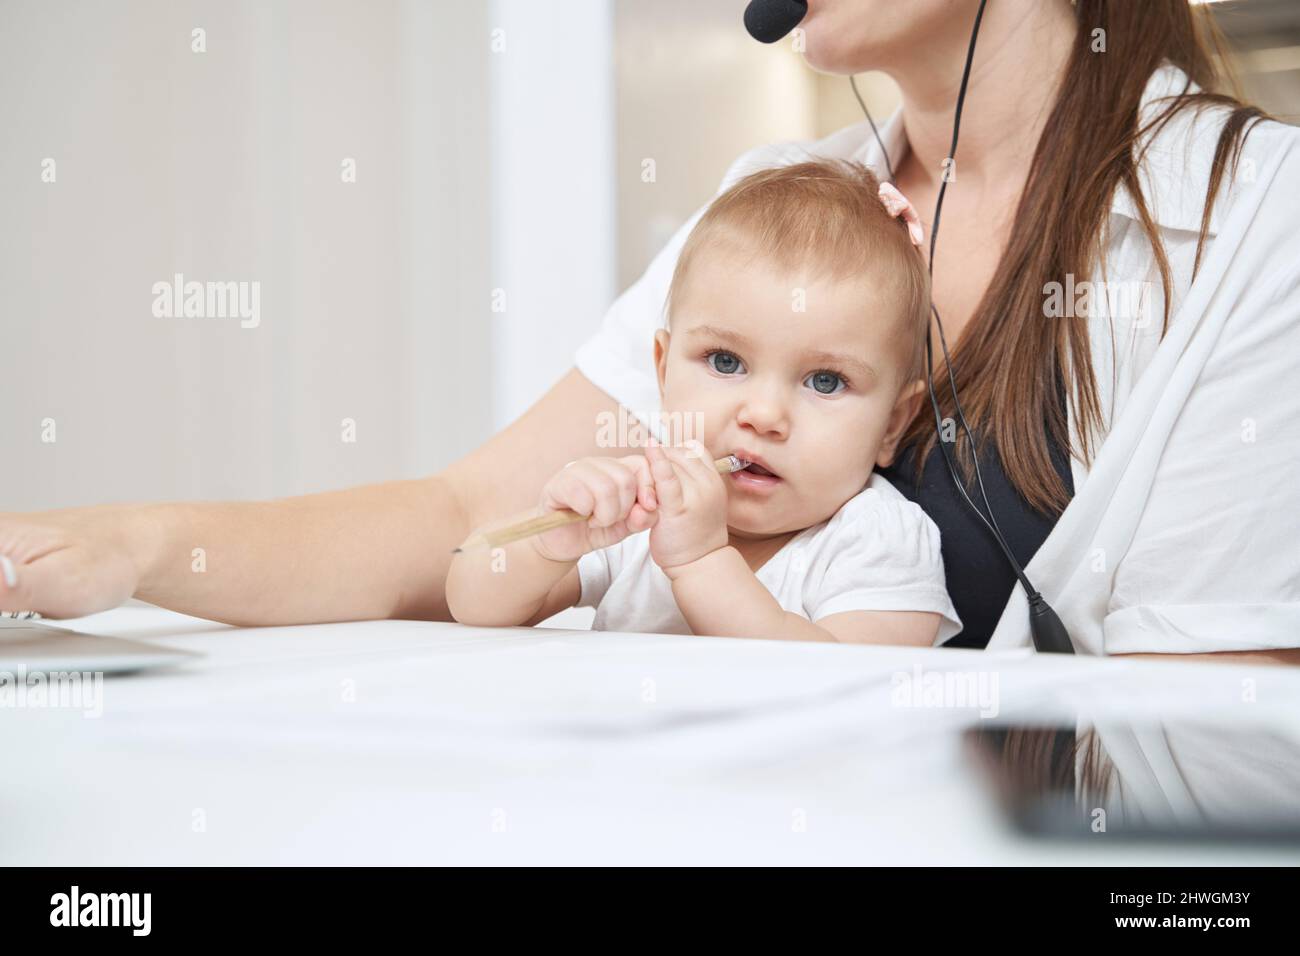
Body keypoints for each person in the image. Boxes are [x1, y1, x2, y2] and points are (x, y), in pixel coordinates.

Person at [2, 0, 1297, 664]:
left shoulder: (1261, 216)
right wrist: (135, 544)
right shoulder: (779, 199)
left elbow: (1216, 742)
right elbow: (466, 517)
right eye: (724, 362)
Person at [447, 161, 960, 644]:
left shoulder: (877, 539)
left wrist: (702, 562)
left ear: (892, 424)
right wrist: (546, 545)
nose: (762, 416)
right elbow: (473, 602)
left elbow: (849, 685)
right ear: (664, 371)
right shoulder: (648, 508)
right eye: (725, 362)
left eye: (824, 381)